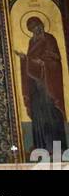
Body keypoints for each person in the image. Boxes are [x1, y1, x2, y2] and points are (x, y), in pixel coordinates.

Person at [19, 17, 67, 152]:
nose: (36, 30)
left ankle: (57, 148)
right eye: (32, 29)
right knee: (38, 113)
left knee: (50, 111)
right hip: (35, 84)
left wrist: (42, 61)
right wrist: (25, 59)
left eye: (37, 26)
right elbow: (30, 60)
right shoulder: (31, 41)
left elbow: (56, 57)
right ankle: (41, 147)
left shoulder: (49, 38)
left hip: (48, 82)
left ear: (41, 25)